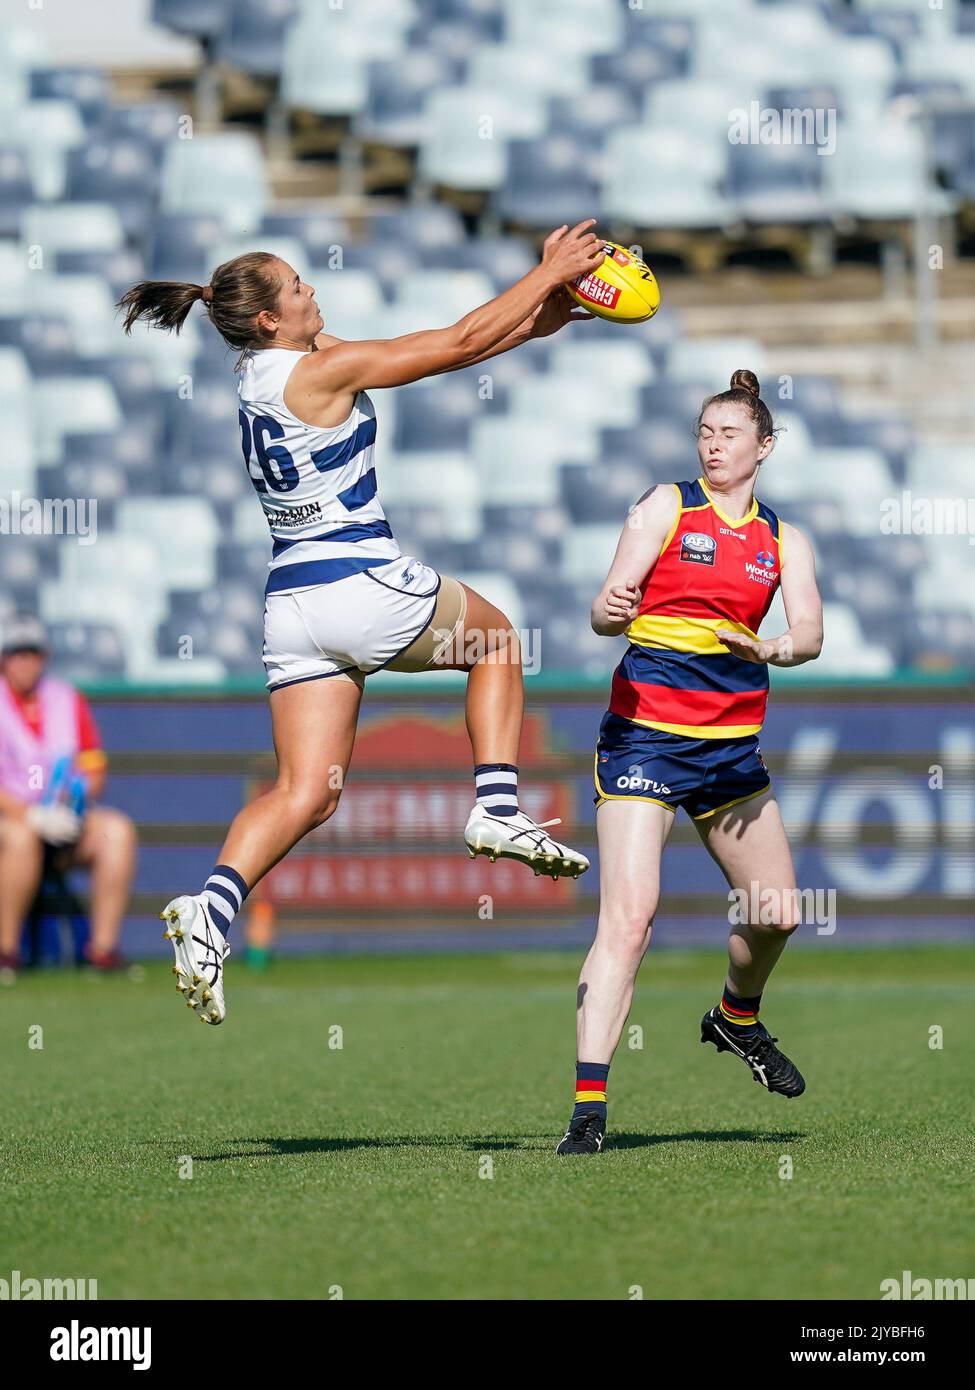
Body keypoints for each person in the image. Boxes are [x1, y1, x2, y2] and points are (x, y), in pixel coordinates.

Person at [118, 221, 606, 1025]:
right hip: (358, 579)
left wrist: (534, 320)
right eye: (297, 285)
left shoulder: (261, 371)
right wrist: (546, 271)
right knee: (495, 640)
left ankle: (210, 908)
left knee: (305, 793)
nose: (312, 289)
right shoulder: (324, 367)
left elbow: (447, 352)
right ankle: (494, 806)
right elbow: (452, 339)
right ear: (270, 317)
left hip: (292, 605)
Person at [556, 370, 824, 1155]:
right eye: (705, 432)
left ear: (763, 447)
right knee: (628, 922)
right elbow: (609, 602)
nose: (712, 445)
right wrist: (608, 609)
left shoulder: (781, 538)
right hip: (643, 738)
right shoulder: (664, 506)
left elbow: (806, 632)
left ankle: (734, 1017)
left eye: (729, 434)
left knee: (776, 913)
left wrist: (770, 644)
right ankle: (588, 1112)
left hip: (729, 751)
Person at [0, 616, 137, 976]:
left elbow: (93, 767)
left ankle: (103, 950)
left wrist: (73, 801)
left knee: (117, 832)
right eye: (17, 653)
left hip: (62, 820)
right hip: (12, 820)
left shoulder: (64, 697)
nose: (25, 662)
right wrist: (28, 815)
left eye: (32, 653)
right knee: (19, 836)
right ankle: (7, 952)